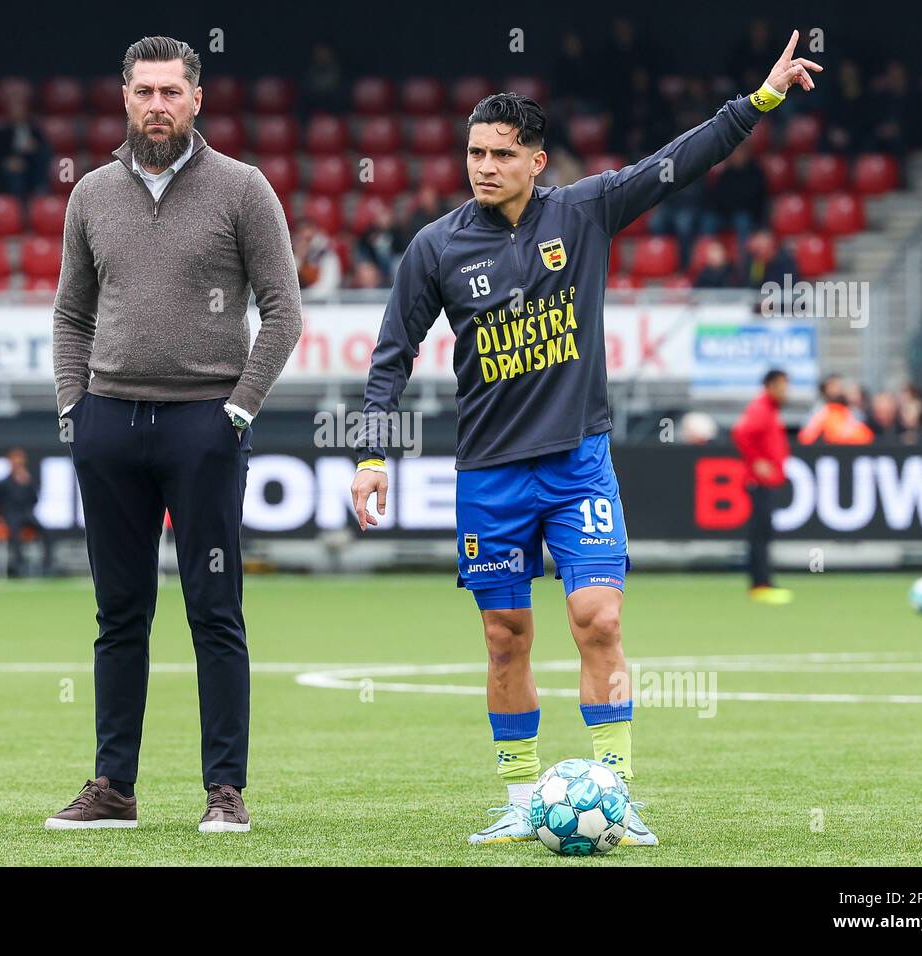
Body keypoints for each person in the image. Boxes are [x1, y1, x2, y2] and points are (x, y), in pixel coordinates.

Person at [351, 31, 821, 847]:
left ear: (538, 160)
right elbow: (391, 355)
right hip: (490, 476)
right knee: (506, 638)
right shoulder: (436, 248)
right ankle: (519, 795)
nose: (484, 166)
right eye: (474, 152)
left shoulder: (587, 209)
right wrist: (369, 455)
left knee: (597, 619)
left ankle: (616, 788)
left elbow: (681, 160)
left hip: (578, 465)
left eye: (502, 153)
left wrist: (762, 99)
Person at [48, 36, 301, 833]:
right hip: (110, 425)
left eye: (172, 91)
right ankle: (112, 788)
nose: (157, 104)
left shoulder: (243, 188)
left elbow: (284, 312)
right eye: (144, 91)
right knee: (119, 615)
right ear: (124, 97)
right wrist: (73, 407)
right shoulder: (90, 193)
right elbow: (70, 314)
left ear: (198, 99)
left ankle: (225, 791)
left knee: (214, 611)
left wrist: (239, 408)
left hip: (205, 425)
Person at [731, 369, 793, 603]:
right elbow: (741, 432)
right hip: (759, 482)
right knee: (760, 533)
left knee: (764, 532)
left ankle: (764, 581)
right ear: (770, 386)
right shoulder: (761, 409)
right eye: (782, 386)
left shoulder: (769, 410)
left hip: (766, 482)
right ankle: (760, 584)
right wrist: (756, 461)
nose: (786, 392)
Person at [0, 447, 53, 576]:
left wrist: (27, 483)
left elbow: (34, 499)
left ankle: (47, 565)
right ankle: (19, 565)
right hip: (10, 515)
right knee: (15, 534)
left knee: (46, 533)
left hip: (27, 514)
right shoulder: (3, 482)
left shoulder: (27, 480)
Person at [798, 374, 873, 444]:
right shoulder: (819, 412)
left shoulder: (852, 412)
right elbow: (806, 437)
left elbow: (865, 436)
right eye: (833, 386)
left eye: (839, 386)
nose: (837, 390)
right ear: (825, 389)